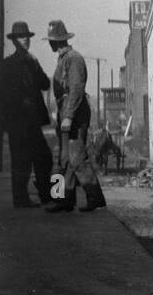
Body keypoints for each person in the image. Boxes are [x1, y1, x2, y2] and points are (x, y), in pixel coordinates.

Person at [43, 20, 107, 214]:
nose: (50, 44)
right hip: (64, 115)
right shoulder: (63, 59)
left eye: (52, 40)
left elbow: (77, 90)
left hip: (75, 116)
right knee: (61, 159)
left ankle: (95, 197)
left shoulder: (74, 59)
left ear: (58, 41)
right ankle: (62, 200)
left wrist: (69, 116)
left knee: (77, 158)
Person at [0, 20, 54, 208]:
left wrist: (36, 64)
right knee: (21, 160)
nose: (25, 40)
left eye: (27, 37)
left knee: (45, 157)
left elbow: (45, 84)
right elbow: (3, 93)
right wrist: (19, 101)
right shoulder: (7, 65)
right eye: (21, 37)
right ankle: (21, 199)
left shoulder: (32, 62)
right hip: (17, 121)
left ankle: (46, 194)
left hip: (32, 121)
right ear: (14, 41)